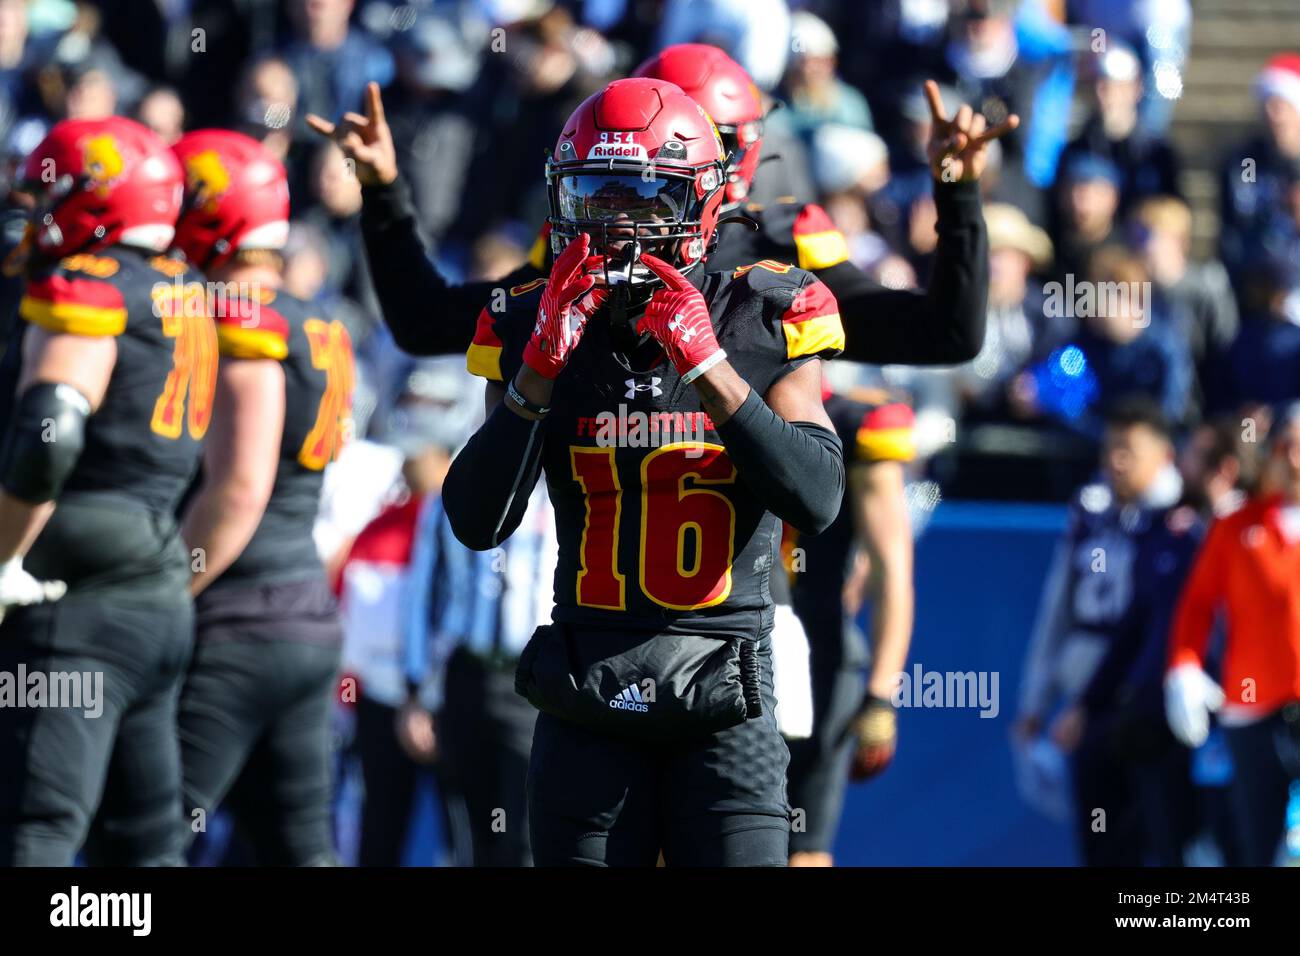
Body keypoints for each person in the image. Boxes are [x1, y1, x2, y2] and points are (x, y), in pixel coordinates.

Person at [444, 77, 846, 867]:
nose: (620, 226)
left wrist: (711, 367)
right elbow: (477, 522)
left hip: (725, 689)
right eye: (596, 197)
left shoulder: (763, 312)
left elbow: (819, 498)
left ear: (698, 204)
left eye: (645, 198)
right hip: (587, 690)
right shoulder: (528, 317)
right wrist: (538, 375)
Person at [0, 117, 212, 865]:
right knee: (145, 851)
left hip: (72, 591)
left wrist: (3, 559)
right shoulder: (187, 290)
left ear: (95, 200)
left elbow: (47, 435)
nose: (31, 208)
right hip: (154, 587)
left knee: (37, 832)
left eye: (45, 191)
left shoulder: (92, 288)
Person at [173, 130, 355, 865]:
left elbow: (242, 487)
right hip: (304, 613)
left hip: (235, 618)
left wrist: (166, 590)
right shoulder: (317, 318)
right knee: (299, 848)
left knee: (144, 839)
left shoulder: (238, 316)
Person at [634, 44, 1017, 366]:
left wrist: (958, 192)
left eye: (701, 144)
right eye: (661, 152)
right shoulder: (593, 245)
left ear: (737, 148)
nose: (678, 167)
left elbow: (945, 335)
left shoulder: (781, 246)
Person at [1016, 399, 1200, 865]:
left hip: (1152, 703)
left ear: (1162, 456)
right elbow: (1056, 610)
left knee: (1161, 837)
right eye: (1110, 448)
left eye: (1129, 450)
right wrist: (1036, 699)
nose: (1116, 460)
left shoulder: (1179, 518)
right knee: (1102, 842)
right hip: (1089, 695)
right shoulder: (1091, 510)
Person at [786, 381, 917, 866]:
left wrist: (883, 693)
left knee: (804, 851)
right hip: (719, 645)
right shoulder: (707, 393)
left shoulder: (853, 419)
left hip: (814, 654)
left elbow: (891, 570)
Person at [1166, 403, 1300, 866]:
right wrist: (1184, 667)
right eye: (1289, 447)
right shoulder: (1237, 525)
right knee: (1255, 841)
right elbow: (1199, 603)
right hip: (1253, 707)